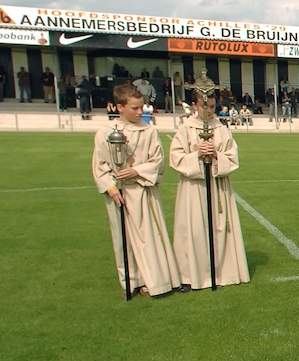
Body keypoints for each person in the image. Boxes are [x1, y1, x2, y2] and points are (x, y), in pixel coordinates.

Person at [92, 84, 180, 298]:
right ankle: (130, 282)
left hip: (142, 190)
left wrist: (137, 171)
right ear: (120, 107)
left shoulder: (148, 131)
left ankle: (153, 282)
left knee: (148, 237)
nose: (140, 112)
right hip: (119, 193)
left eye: (142, 107)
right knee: (123, 239)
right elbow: (100, 163)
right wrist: (110, 187)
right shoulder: (105, 132)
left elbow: (157, 161)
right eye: (134, 108)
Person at [169, 89, 250, 292]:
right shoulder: (185, 129)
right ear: (195, 105)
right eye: (205, 106)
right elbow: (176, 159)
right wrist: (196, 154)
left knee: (219, 228)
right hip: (193, 187)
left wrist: (215, 155)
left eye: (213, 107)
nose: (209, 111)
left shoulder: (221, 129)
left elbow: (232, 158)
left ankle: (222, 272)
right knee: (193, 229)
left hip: (217, 186)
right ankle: (190, 276)